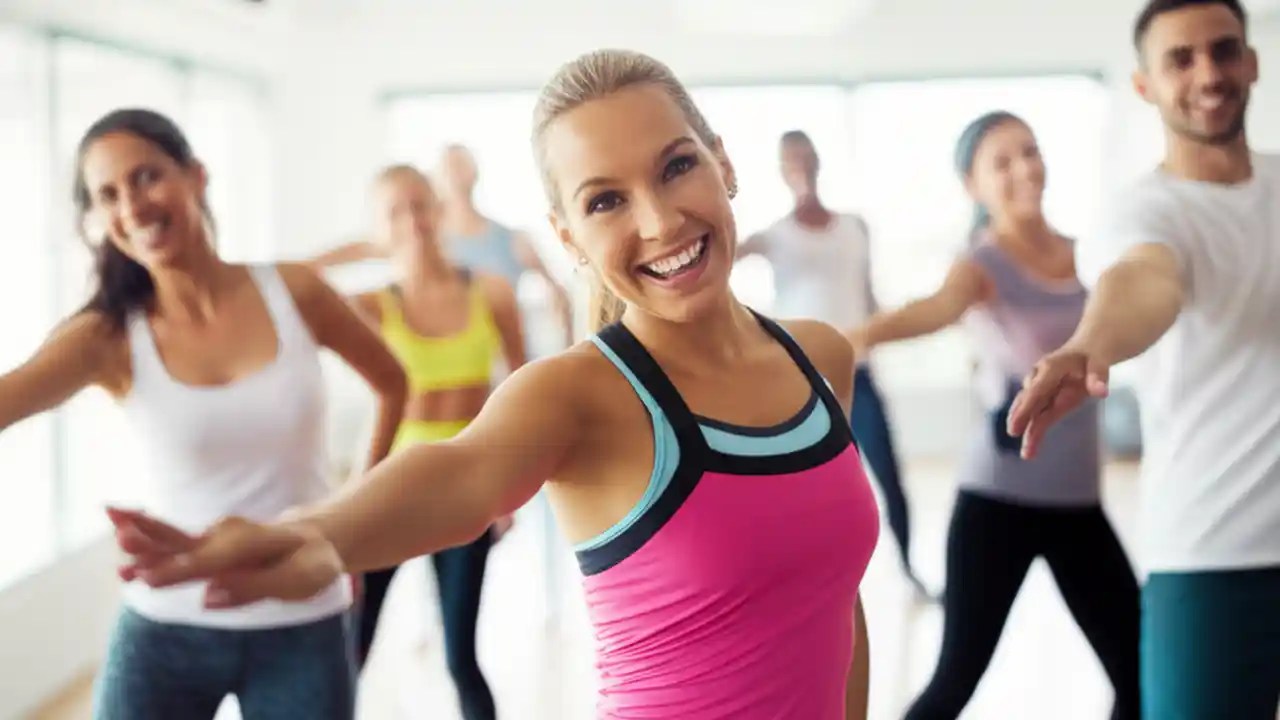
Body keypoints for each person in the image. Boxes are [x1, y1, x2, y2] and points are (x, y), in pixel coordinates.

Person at [107, 49, 880, 720]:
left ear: (725, 165)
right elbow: (457, 471)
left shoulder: (819, 358)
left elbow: (833, 602)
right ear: (569, 237)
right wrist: (314, 534)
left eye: (677, 166)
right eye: (605, 200)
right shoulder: (583, 394)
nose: (659, 221)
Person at [0, 108, 407, 719]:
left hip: (302, 619)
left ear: (196, 175)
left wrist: (348, 526)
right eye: (107, 194)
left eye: (145, 177)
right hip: (164, 629)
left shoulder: (295, 291)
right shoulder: (107, 335)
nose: (131, 207)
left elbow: (393, 383)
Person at [1008, 1, 1280, 717]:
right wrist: (1089, 344)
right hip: (1213, 552)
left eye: (1224, 51)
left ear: (1251, 62)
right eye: (1181, 60)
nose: (1209, 74)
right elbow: (1144, 282)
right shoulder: (1143, 213)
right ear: (1144, 86)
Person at [848, 111, 1140, 720]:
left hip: (1079, 503)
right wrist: (851, 337)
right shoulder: (981, 264)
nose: (1025, 169)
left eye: (1030, 152)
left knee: (1137, 670)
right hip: (998, 501)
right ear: (972, 186)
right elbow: (932, 310)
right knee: (956, 679)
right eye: (1002, 162)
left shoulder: (1087, 257)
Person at [312, 164, 526, 720]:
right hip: (389, 494)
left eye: (421, 205)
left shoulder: (493, 292)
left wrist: (511, 495)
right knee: (349, 652)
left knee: (461, 657)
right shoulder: (372, 305)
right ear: (377, 229)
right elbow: (299, 287)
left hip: (465, 496)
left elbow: (525, 398)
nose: (414, 220)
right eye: (395, 211)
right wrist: (370, 244)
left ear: (441, 209)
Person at [737, 130, 926, 598]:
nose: (800, 168)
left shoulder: (855, 227)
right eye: (790, 163)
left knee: (887, 477)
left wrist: (889, 330)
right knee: (808, 491)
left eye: (806, 159)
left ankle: (910, 573)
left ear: (818, 162)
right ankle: (805, 588)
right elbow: (718, 262)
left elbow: (868, 296)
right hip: (798, 382)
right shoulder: (773, 236)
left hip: (858, 374)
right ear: (782, 173)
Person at [309, 144, 572, 348]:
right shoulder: (422, 235)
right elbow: (363, 248)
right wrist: (302, 268)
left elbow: (557, 292)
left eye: (462, 163)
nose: (457, 171)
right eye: (449, 165)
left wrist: (565, 344)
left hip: (499, 355)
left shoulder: (513, 240)